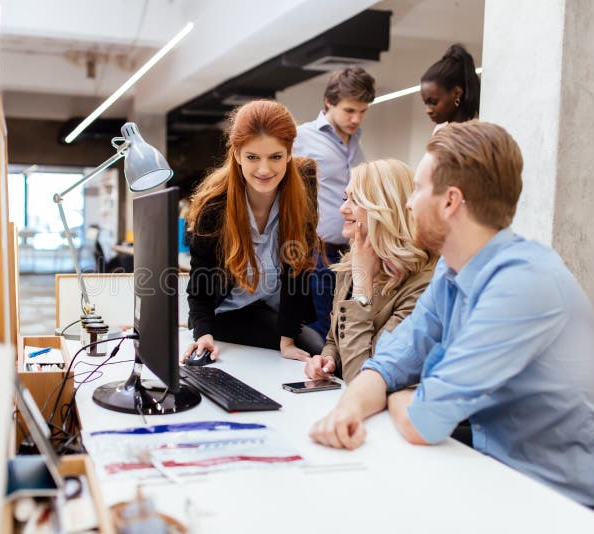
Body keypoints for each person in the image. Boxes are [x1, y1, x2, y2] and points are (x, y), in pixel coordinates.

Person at [309, 121, 594, 511]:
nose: (408, 203)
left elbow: (422, 421)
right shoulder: (452, 270)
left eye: (418, 189)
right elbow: (386, 365)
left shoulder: (522, 284)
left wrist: (402, 395)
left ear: (450, 201)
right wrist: (347, 410)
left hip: (581, 509)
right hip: (502, 478)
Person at [183, 100, 323, 363]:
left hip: (274, 308)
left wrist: (288, 341)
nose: (264, 169)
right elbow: (200, 282)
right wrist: (203, 335)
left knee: (316, 350)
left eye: (275, 157)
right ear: (236, 154)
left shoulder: (304, 184)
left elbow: (299, 267)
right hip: (226, 313)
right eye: (252, 157)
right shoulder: (214, 203)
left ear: (290, 152)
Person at [303, 159, 435, 384]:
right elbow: (334, 339)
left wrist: (362, 287)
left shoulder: (421, 286)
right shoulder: (350, 265)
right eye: (346, 198)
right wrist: (327, 359)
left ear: (386, 209)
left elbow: (363, 378)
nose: (343, 209)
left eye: (356, 200)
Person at [293, 66, 376, 341]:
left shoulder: (357, 143)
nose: (357, 119)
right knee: (318, 330)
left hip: (352, 251)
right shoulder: (302, 138)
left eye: (363, 111)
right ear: (329, 102)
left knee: (345, 327)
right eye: (350, 111)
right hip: (318, 253)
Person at [420, 43, 480, 125]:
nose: (428, 110)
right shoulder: (440, 131)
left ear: (457, 93)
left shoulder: (479, 132)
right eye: (426, 103)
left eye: (434, 102)